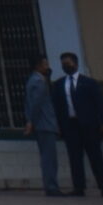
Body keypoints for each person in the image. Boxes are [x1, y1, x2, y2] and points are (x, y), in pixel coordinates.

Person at [52, 52, 103, 198]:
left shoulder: (89, 83)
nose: (66, 66)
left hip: (89, 125)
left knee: (95, 157)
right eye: (63, 64)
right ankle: (78, 187)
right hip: (70, 125)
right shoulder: (59, 84)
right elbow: (57, 107)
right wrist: (59, 125)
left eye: (68, 63)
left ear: (75, 63)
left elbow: (99, 103)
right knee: (75, 157)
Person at [24, 57, 63, 196]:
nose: (48, 67)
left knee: (48, 157)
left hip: (43, 124)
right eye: (45, 64)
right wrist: (30, 121)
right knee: (49, 158)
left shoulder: (34, 80)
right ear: (38, 66)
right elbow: (36, 104)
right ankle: (51, 186)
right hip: (45, 124)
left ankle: (51, 185)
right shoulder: (39, 82)